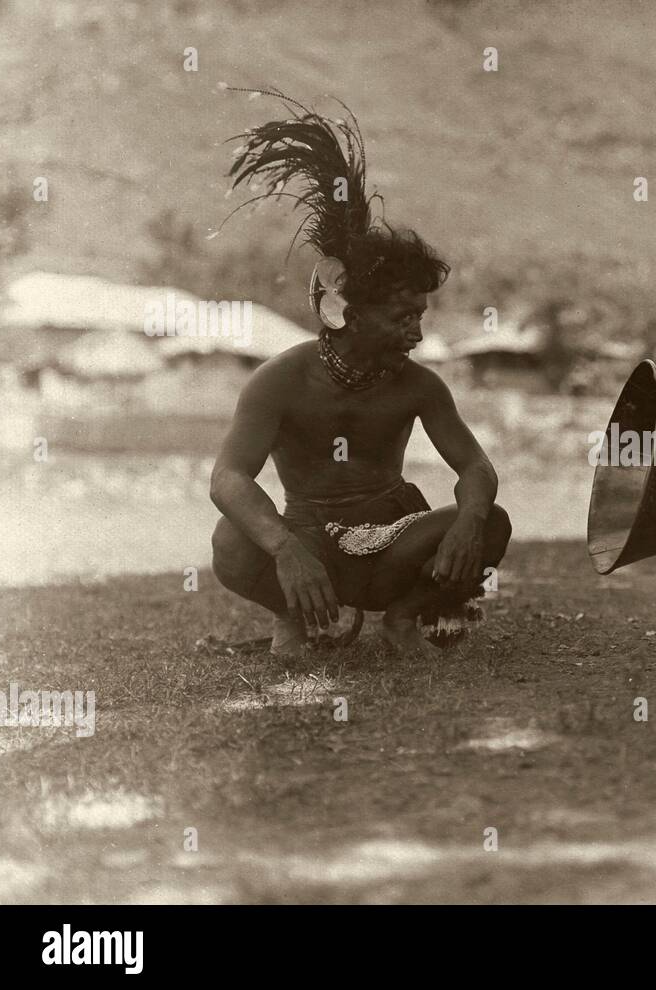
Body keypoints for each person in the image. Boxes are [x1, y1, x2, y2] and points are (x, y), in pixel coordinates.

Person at [210, 90, 510, 656]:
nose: (416, 334)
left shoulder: (420, 385)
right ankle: (295, 615)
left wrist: (470, 521)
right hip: (308, 540)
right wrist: (285, 549)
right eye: (401, 317)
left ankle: (402, 617)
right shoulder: (278, 381)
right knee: (231, 541)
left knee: (492, 522)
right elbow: (228, 479)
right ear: (348, 312)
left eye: (419, 317)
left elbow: (473, 464)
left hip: (396, 542)